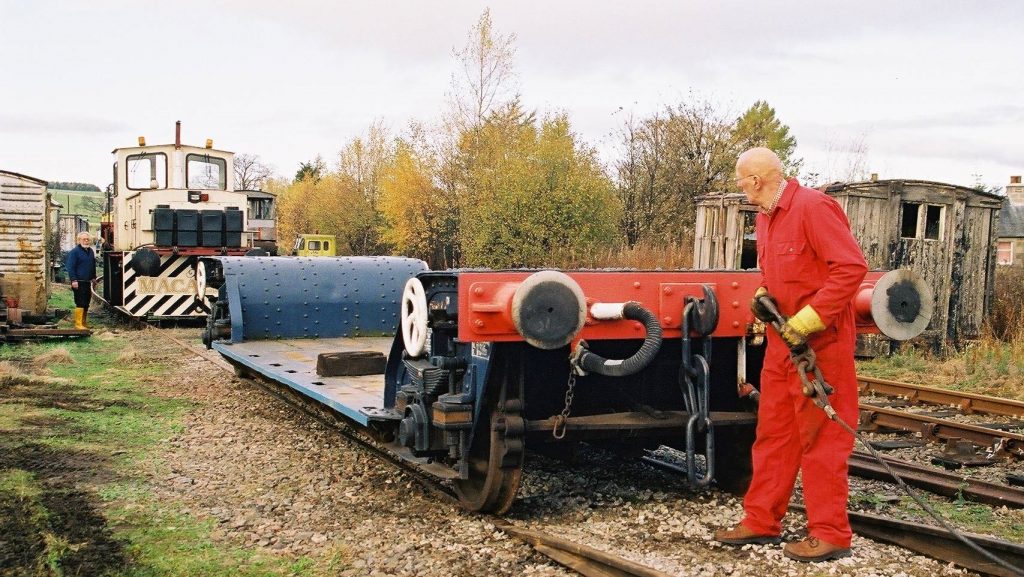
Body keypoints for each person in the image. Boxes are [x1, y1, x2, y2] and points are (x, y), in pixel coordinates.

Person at [713, 147, 868, 562]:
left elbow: (851, 268)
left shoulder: (814, 208)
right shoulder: (766, 218)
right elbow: (781, 271)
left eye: (742, 182)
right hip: (783, 346)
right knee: (774, 434)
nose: (741, 189)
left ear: (757, 180)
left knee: (823, 441)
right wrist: (766, 292)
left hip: (821, 348)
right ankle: (761, 521)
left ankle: (831, 534)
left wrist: (811, 319)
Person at [66, 231, 98, 330]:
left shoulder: (91, 251)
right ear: (79, 240)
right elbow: (70, 267)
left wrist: (93, 277)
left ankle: (84, 323)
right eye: (84, 239)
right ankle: (78, 324)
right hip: (78, 282)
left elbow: (92, 266)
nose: (86, 241)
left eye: (87, 239)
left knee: (86, 303)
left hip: (87, 282)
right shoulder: (74, 252)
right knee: (80, 302)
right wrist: (73, 280)